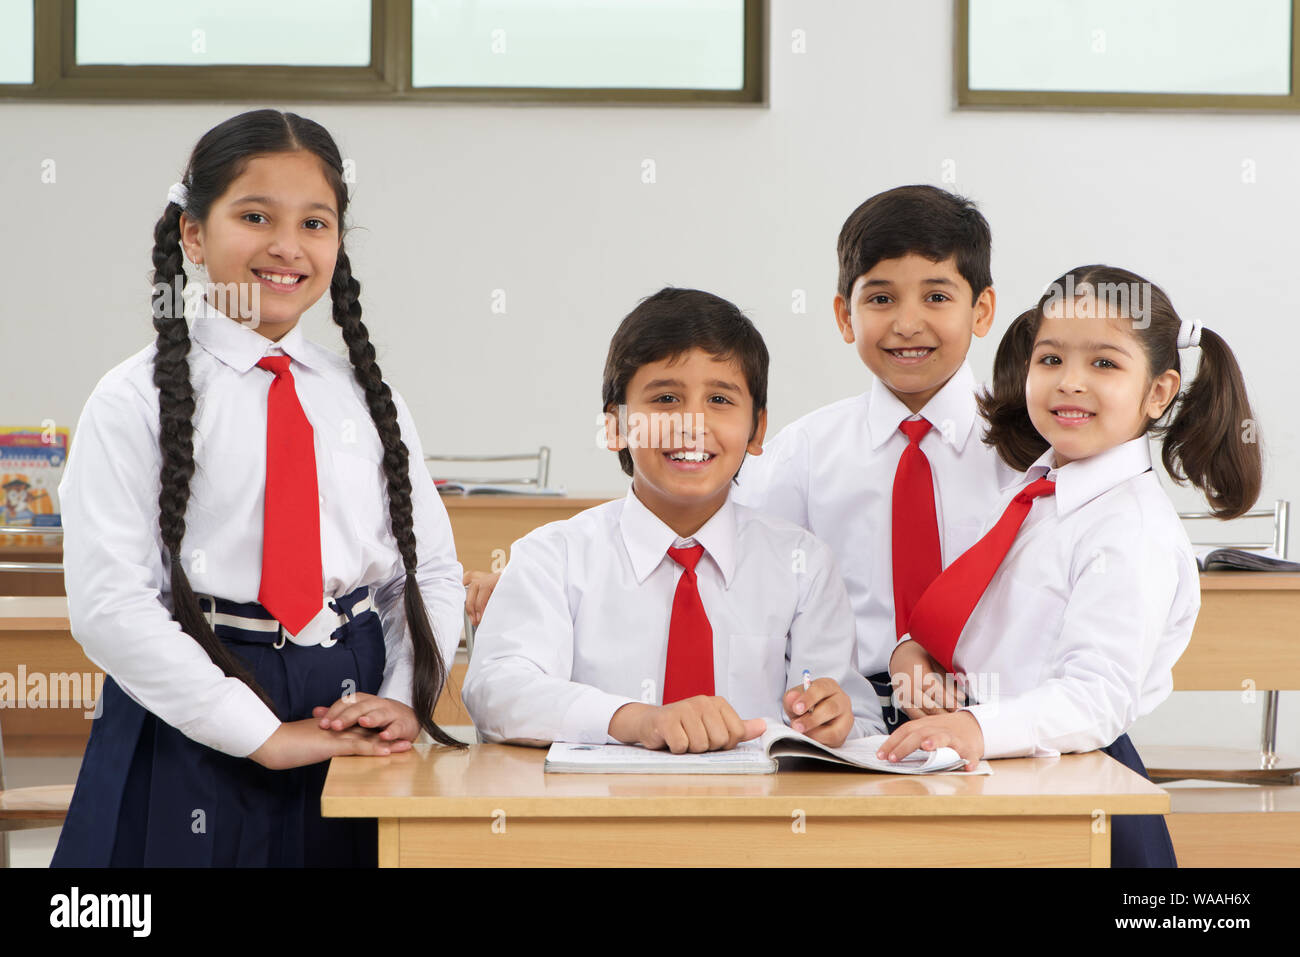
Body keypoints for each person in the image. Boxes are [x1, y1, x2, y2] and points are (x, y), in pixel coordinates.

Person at [52, 109, 465, 867]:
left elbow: (429, 571)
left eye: (315, 221)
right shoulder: (129, 400)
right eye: (254, 216)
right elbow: (111, 605)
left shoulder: (368, 400)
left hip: (350, 716)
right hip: (189, 705)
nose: (287, 245)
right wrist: (263, 735)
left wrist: (404, 699)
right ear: (193, 234)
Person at [880, 264, 1262, 867]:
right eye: (1051, 360)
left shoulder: (1130, 529)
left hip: (1080, 791)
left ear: (1158, 392)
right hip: (1002, 770)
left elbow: (1095, 697)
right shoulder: (1032, 492)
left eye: (1105, 364)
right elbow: (978, 614)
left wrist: (976, 729)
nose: (1069, 383)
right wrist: (912, 651)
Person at [462, 288, 882, 751]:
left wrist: (835, 719)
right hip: (597, 816)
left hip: (760, 816)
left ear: (757, 430)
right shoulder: (553, 557)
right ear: (617, 426)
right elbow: (495, 690)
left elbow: (860, 720)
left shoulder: (803, 564)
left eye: (720, 401)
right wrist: (635, 720)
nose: (691, 423)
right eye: (665, 398)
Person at [733, 185, 1013, 728]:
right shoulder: (804, 452)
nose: (907, 324)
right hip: (849, 714)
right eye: (881, 299)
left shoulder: (1025, 446)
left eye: (936, 297)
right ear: (845, 316)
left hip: (996, 709)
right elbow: (760, 594)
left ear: (982, 310)